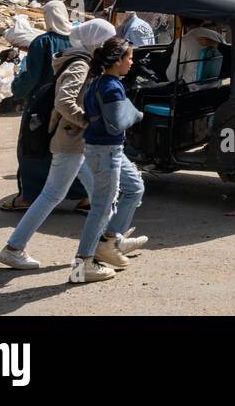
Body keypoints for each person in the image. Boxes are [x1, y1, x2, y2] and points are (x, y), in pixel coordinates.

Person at [0, 19, 120, 270]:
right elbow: (64, 101)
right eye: (106, 41)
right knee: (53, 193)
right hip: (71, 139)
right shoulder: (80, 64)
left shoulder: (83, 60)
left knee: (98, 194)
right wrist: (87, 121)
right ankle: (14, 248)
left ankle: (109, 242)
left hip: (77, 140)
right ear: (95, 40)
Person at [71, 37, 147, 284]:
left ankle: (110, 241)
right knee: (102, 208)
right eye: (129, 58)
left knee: (135, 188)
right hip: (106, 152)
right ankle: (82, 266)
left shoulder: (100, 82)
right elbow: (116, 125)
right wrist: (136, 114)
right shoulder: (111, 87)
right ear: (117, 61)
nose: (132, 62)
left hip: (107, 150)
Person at [0, 2, 75, 213]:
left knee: (32, 149)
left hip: (41, 107)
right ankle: (83, 196)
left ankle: (28, 196)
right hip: (70, 106)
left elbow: (30, 78)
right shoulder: (77, 39)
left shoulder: (42, 42)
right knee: (69, 151)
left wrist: (15, 89)